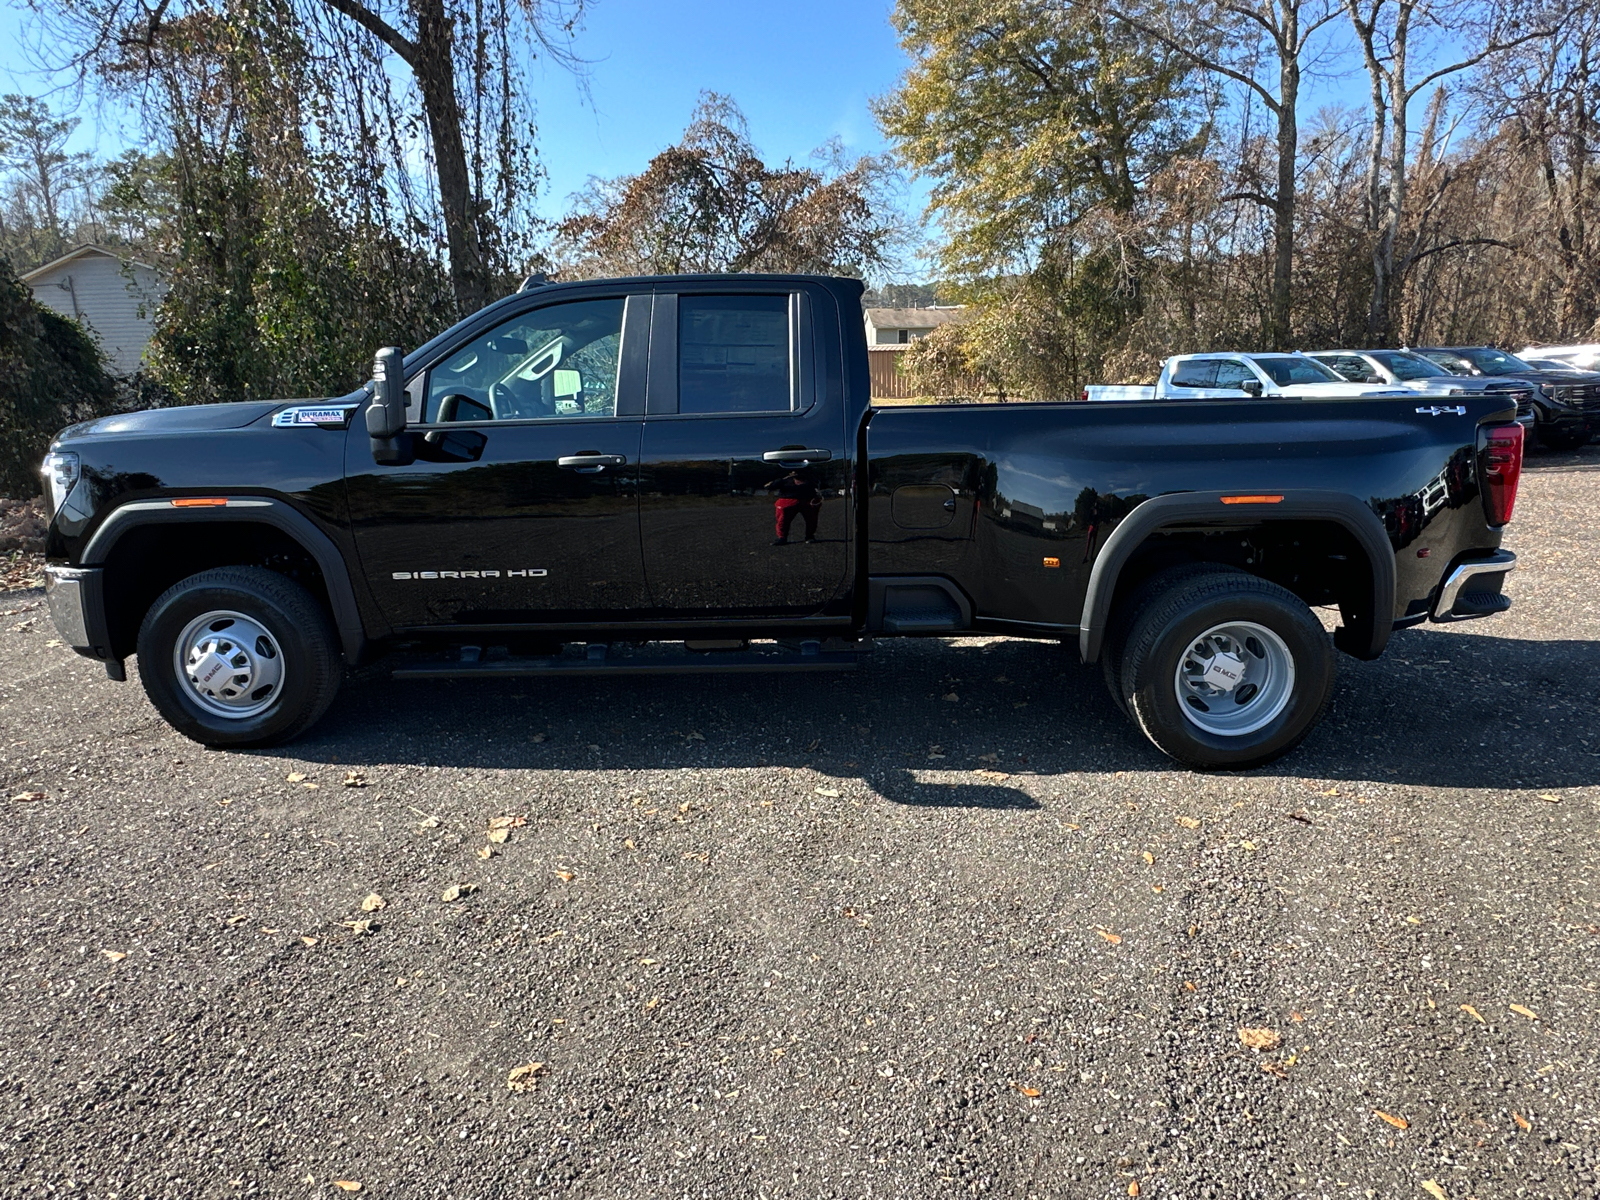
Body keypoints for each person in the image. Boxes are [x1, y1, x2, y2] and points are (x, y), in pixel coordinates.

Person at [766, 468, 822, 545]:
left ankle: (810, 536)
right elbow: (769, 486)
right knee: (782, 520)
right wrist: (778, 482)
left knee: (811, 520)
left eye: (798, 471)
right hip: (788, 500)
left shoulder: (811, 479)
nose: (796, 473)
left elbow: (818, 486)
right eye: (794, 471)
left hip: (807, 500)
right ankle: (782, 538)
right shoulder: (784, 480)